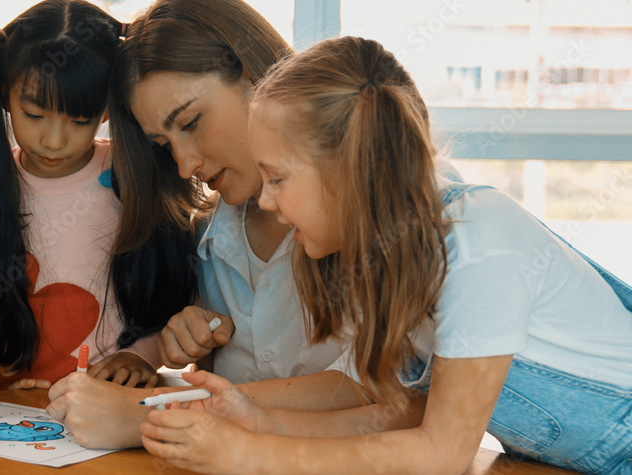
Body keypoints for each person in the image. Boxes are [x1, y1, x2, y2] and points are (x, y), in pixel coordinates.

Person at [140, 36, 632, 475]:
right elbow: (396, 411)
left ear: (344, 168)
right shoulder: (386, 260)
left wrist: (249, 456)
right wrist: (258, 420)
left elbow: (444, 454)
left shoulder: (476, 239)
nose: (266, 202)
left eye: (278, 178)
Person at [47, 0, 346, 449]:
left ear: (254, 77)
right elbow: (227, 385)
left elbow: (391, 392)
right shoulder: (207, 234)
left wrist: (152, 414)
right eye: (164, 146)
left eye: (190, 123)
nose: (186, 166)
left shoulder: (376, 206)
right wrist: (184, 350)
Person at [0, 0, 197, 391]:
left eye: (79, 120)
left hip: (108, 400)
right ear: (4, 95)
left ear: (106, 109)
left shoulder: (131, 178)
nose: (53, 141)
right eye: (34, 115)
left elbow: (173, 288)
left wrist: (140, 356)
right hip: (6, 406)